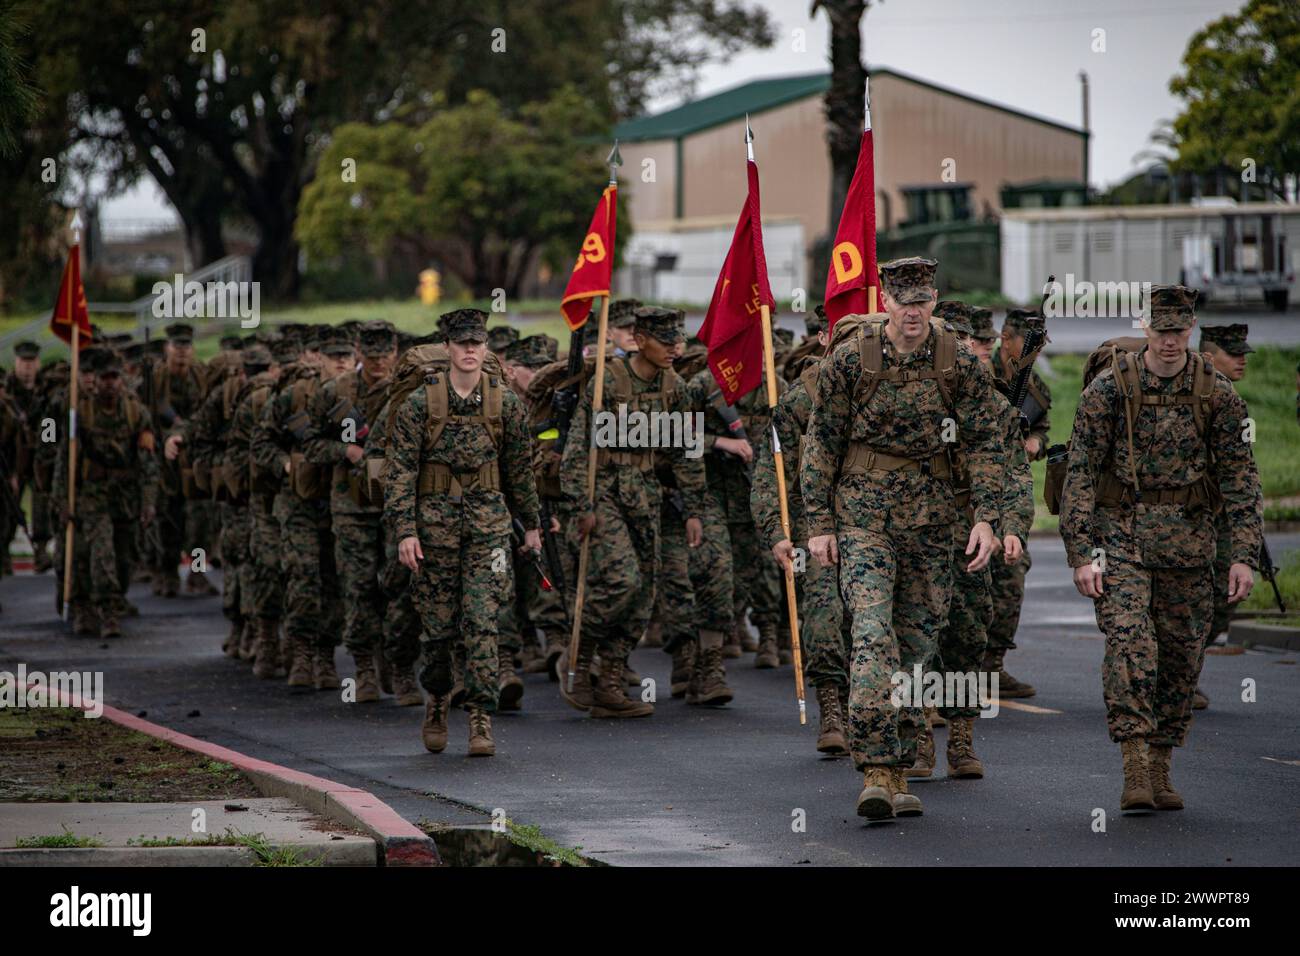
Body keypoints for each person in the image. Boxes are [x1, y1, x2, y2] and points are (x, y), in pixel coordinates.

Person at [801, 257, 1003, 820]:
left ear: (934, 300)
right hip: (864, 516)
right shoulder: (852, 360)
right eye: (901, 300)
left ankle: (898, 767)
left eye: (921, 301)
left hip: (933, 524)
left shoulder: (958, 360)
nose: (911, 312)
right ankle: (876, 769)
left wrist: (987, 517)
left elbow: (986, 440)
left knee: (917, 649)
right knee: (870, 636)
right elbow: (820, 442)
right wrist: (818, 523)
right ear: (884, 301)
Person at [1060, 284, 1262, 812]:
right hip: (1119, 537)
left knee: (1180, 657)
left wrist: (1242, 554)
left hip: (1190, 546)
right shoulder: (1109, 390)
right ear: (1145, 329)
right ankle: (1133, 767)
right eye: (1161, 330)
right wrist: (1082, 554)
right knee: (1131, 647)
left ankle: (1160, 763)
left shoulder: (1217, 393)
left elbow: (1241, 478)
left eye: (1179, 330)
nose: (1170, 341)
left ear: (1190, 329)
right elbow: (1079, 474)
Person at [388, 309, 542, 756]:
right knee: (436, 630)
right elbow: (401, 474)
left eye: (478, 343)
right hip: (433, 530)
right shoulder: (421, 404)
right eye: (462, 343)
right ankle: (437, 699)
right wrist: (405, 531)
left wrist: (531, 526)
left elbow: (520, 471)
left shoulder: (504, 403)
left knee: (482, 621)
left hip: (489, 529)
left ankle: (480, 715)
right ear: (449, 348)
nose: (470, 350)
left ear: (486, 347)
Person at [559, 307, 707, 718]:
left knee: (643, 593)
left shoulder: (676, 387)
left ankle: (609, 681)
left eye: (679, 341)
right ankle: (580, 650)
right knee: (621, 580)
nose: (675, 349)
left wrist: (693, 509)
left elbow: (686, 452)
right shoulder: (609, 382)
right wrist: (581, 506)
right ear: (640, 340)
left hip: (644, 494)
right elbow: (577, 449)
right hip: (604, 491)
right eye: (666, 342)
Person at [752, 306, 852, 752]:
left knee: (874, 626)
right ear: (826, 339)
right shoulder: (800, 399)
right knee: (825, 618)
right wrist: (776, 530)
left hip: (884, 525)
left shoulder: (895, 391)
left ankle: (875, 712)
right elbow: (770, 473)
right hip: (816, 531)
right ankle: (832, 708)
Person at [54, 350, 158, 638]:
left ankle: (116, 599)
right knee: (101, 553)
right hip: (93, 495)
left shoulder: (136, 412)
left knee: (125, 557)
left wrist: (149, 502)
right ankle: (104, 610)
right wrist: (62, 499)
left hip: (125, 496)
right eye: (104, 378)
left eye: (115, 377)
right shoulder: (81, 414)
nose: (110, 383)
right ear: (95, 382)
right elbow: (65, 461)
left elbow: (148, 462)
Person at [984, 306, 1052, 698]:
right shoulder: (979, 375)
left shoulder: (1034, 387)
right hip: (974, 492)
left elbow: (1041, 429)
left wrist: (1035, 445)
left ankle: (993, 665)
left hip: (1010, 493)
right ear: (1004, 340)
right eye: (1027, 346)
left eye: (1038, 347)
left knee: (1010, 578)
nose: (1033, 354)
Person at [1195, 322, 1254, 708]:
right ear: (1208, 356)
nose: (1241, 361)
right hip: (1190, 516)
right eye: (1233, 354)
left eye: (1243, 354)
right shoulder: (1194, 396)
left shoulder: (1232, 402)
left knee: (1224, 596)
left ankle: (1183, 672)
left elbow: (1243, 470)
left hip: (1222, 515)